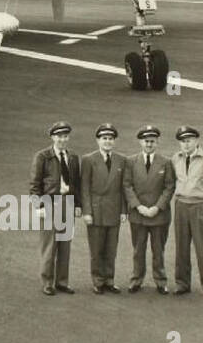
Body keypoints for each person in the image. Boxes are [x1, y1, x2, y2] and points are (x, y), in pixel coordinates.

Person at [29, 121, 81, 295]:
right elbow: (34, 186)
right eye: (59, 136)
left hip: (67, 203)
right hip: (50, 204)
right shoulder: (43, 157)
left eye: (65, 136)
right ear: (52, 137)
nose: (63, 140)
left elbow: (76, 184)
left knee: (65, 244)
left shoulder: (73, 158)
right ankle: (48, 282)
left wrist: (78, 205)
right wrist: (39, 206)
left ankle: (62, 281)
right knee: (49, 245)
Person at [123, 124, 176, 293]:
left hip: (159, 215)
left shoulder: (166, 162)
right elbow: (127, 185)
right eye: (146, 141)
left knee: (158, 250)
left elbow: (169, 187)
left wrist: (157, 207)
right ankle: (136, 279)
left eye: (152, 141)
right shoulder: (131, 161)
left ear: (157, 142)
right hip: (138, 215)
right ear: (140, 142)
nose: (149, 144)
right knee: (138, 249)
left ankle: (160, 281)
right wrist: (138, 206)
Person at [171, 125, 203, 299]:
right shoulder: (175, 158)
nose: (185, 144)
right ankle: (182, 284)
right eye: (182, 141)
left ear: (196, 141)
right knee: (181, 248)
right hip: (181, 206)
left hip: (200, 206)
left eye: (188, 141)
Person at [79, 123, 129, 294]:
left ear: (114, 141)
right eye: (104, 138)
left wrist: (124, 211)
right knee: (97, 248)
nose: (108, 141)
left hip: (114, 209)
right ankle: (98, 281)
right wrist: (86, 212)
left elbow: (124, 188)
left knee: (111, 248)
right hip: (96, 209)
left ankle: (109, 279)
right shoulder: (88, 159)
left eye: (110, 138)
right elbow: (84, 187)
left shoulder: (122, 160)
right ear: (98, 140)